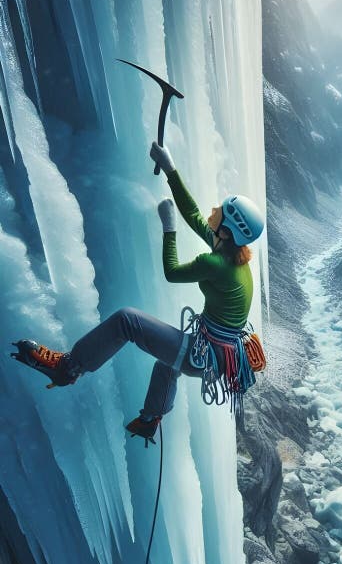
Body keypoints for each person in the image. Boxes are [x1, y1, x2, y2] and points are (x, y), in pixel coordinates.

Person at [12, 142, 265, 445]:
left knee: (127, 321)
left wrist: (169, 229)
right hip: (218, 355)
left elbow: (172, 272)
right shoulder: (234, 255)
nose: (213, 211)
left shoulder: (215, 263)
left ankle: (66, 368)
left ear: (226, 231)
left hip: (204, 355)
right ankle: (150, 419)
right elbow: (195, 215)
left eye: (219, 212)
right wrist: (170, 169)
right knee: (167, 363)